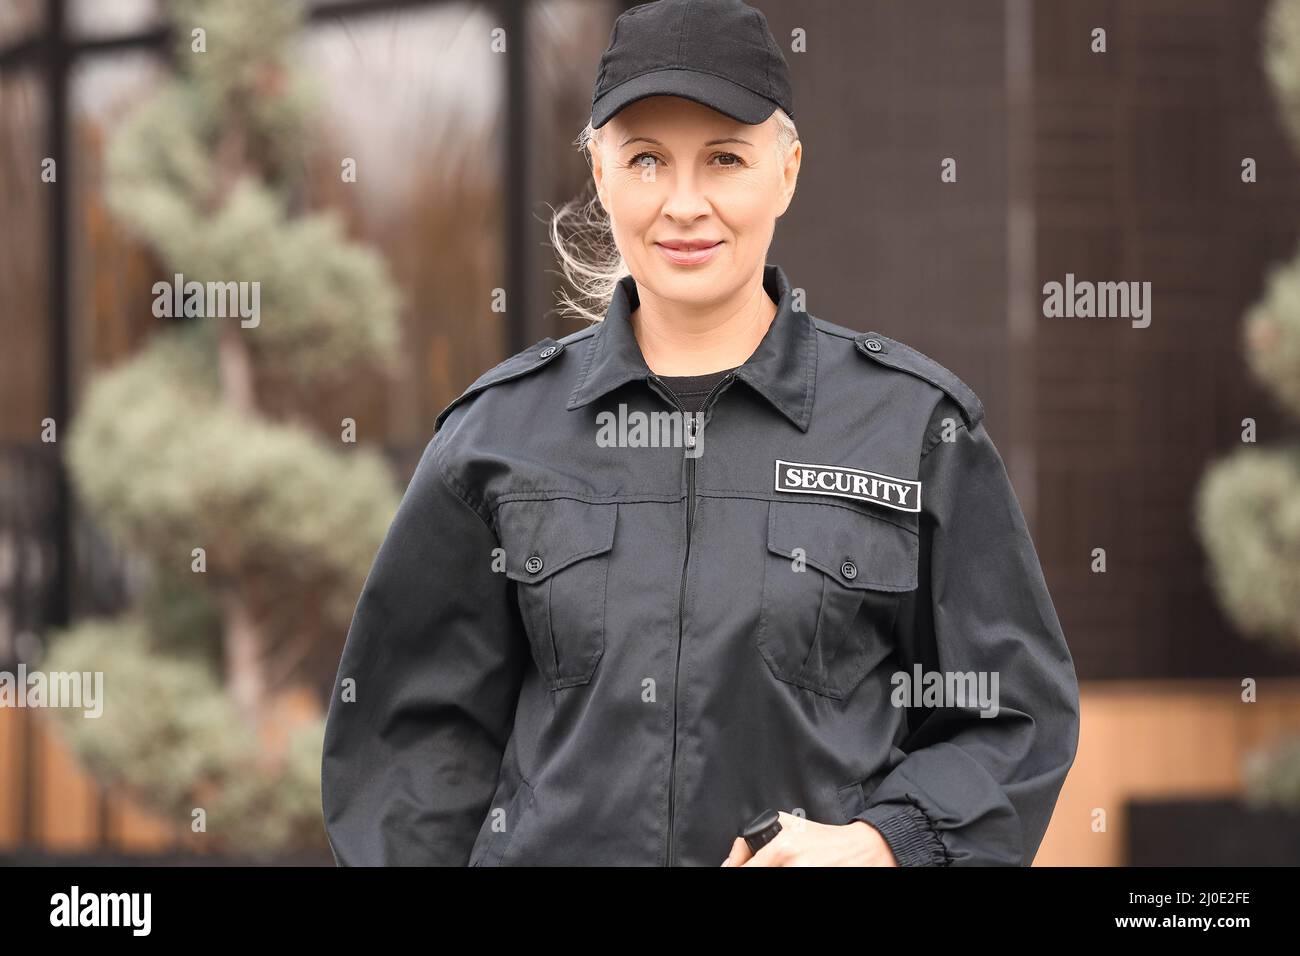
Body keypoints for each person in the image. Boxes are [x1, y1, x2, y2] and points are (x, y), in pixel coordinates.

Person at [320, 0, 1080, 867]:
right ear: (601, 176)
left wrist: (884, 841)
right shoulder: (496, 438)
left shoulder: (912, 431)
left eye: (724, 158)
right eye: (647, 161)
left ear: (786, 172)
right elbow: (406, 746)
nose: (684, 204)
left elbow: (1014, 715)